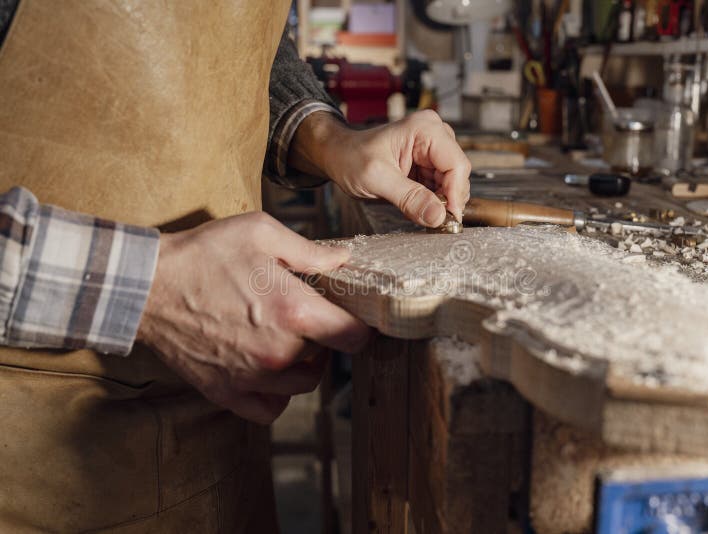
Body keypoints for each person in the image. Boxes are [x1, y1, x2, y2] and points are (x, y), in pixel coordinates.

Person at [0, 1, 470, 532]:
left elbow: (237, 52)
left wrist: (328, 139)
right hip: (33, 451)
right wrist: (152, 289)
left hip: (222, 427)